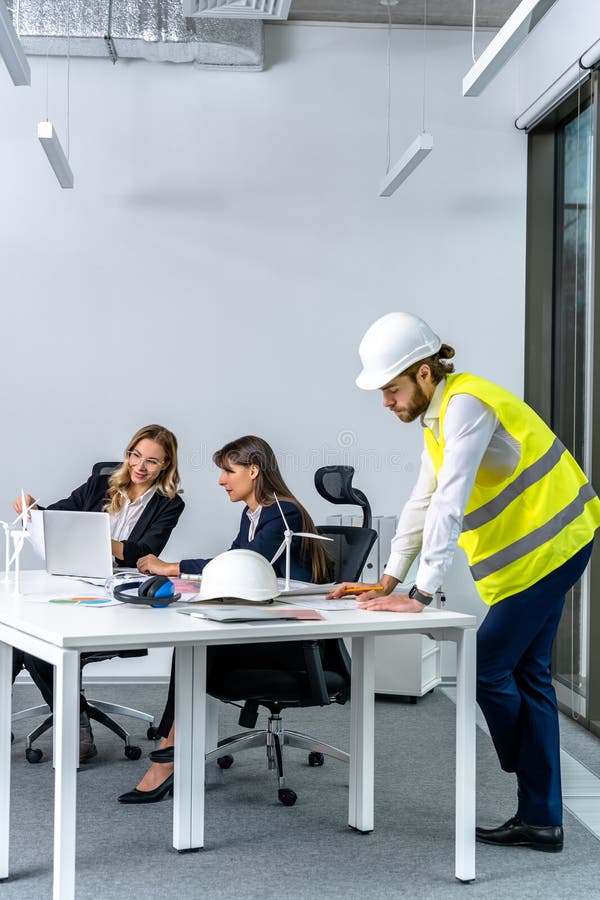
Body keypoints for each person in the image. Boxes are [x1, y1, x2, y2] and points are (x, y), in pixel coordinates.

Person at [330, 311, 600, 853]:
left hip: (556, 544)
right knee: (529, 677)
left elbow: (450, 503)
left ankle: (528, 769)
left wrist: (420, 594)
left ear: (424, 373)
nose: (386, 403)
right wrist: (388, 579)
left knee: (487, 667)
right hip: (533, 557)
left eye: (392, 389)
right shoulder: (438, 421)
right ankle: (542, 819)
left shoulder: (468, 406)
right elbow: (421, 501)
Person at [118, 434, 332, 803]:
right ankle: (173, 743)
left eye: (228, 472)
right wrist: (181, 575)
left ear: (253, 470)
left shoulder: (284, 512)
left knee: (197, 645)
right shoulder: (252, 514)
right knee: (192, 641)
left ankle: (171, 753)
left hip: (289, 639)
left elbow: (242, 565)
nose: (221, 481)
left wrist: (171, 566)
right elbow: (231, 562)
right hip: (258, 624)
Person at [13, 424, 185, 762]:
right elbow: (58, 517)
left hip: (121, 597)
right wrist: (33, 510)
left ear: (165, 465)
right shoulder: (99, 485)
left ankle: (77, 726)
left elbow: (146, 552)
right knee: (15, 635)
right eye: (135, 455)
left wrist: (103, 543)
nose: (140, 466)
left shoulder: (169, 504)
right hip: (74, 584)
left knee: (40, 647)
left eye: (151, 461)